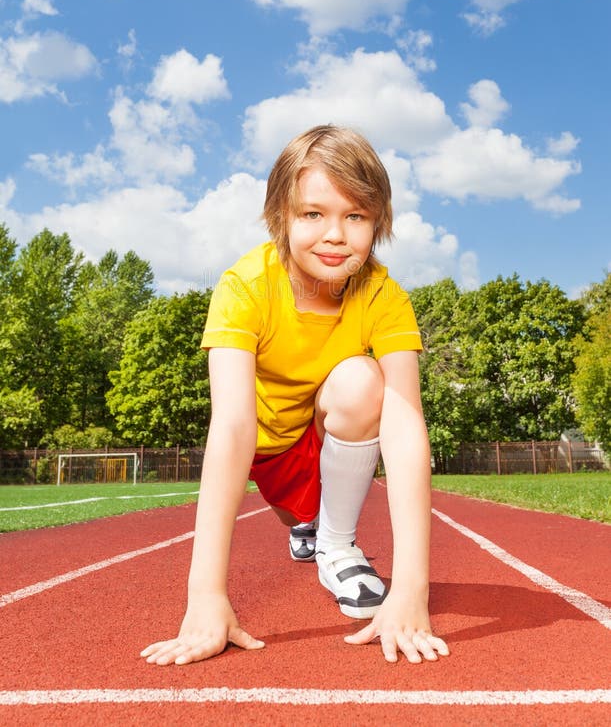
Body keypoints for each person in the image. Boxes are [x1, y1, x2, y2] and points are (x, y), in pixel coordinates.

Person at [141, 125, 449, 666]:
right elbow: (233, 426)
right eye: (313, 214)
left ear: (378, 223)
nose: (335, 234)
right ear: (279, 216)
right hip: (269, 444)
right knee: (295, 515)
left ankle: (336, 545)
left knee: (363, 380)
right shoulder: (245, 288)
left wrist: (411, 590)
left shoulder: (383, 295)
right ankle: (306, 526)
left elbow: (404, 423)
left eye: (355, 216)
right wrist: (206, 597)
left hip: (330, 425)